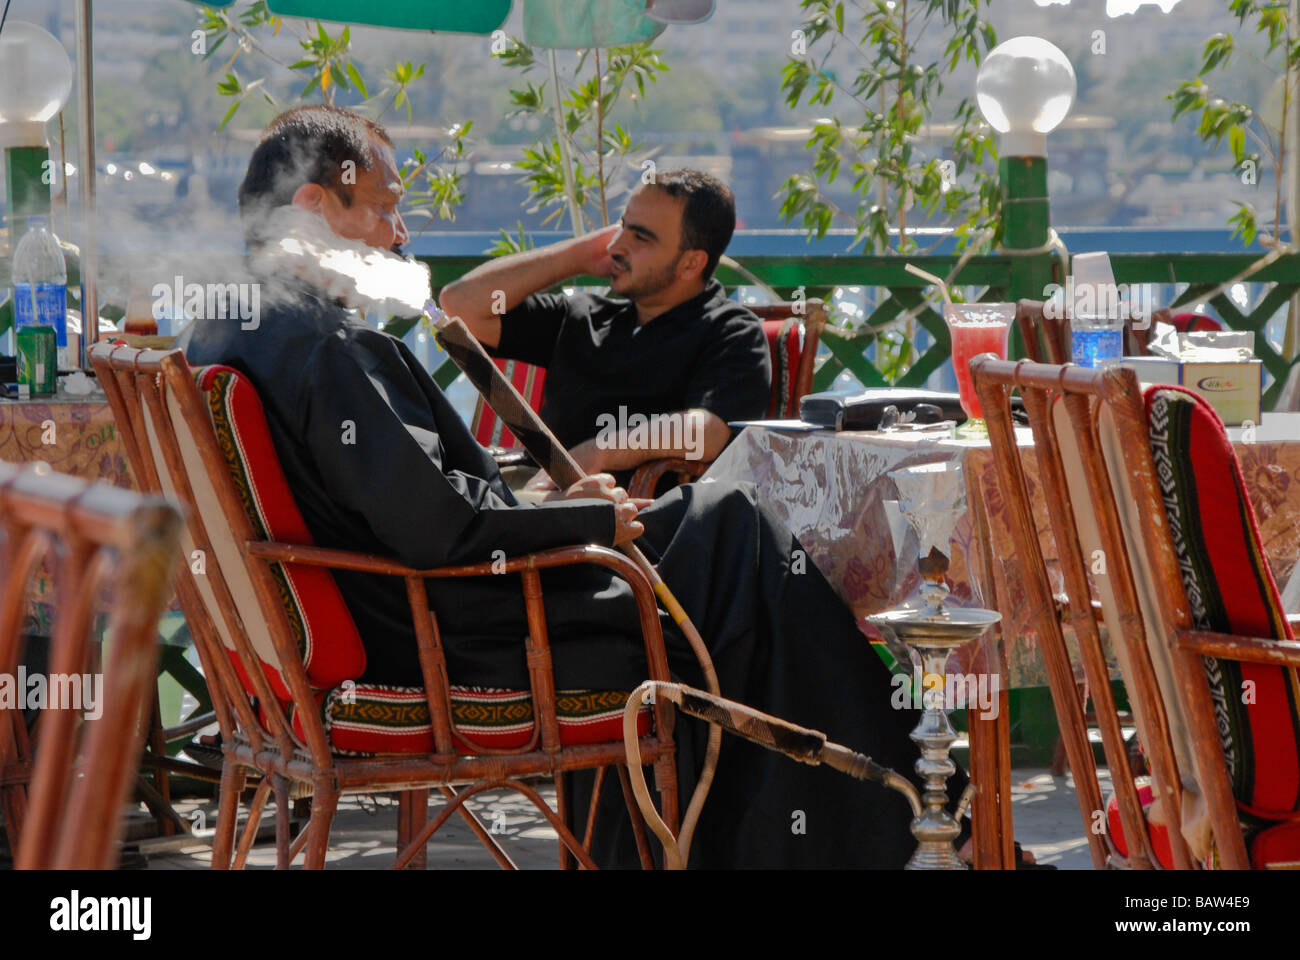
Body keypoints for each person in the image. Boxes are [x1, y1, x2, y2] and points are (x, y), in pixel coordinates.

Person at [177, 105, 970, 869]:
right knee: (734, 532)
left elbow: (426, 511)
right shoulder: (325, 345)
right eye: (385, 209)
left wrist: (565, 512)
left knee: (725, 551)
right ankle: (917, 814)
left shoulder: (224, 330)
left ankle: (845, 826)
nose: (401, 233)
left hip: (396, 611)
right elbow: (438, 530)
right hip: (452, 626)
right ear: (315, 206)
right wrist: (581, 517)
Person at [438, 170, 770, 488]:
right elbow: (461, 304)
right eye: (622, 227)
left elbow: (706, 432)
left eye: (640, 236)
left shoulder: (730, 331)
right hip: (529, 500)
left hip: (622, 522)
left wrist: (598, 452)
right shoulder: (583, 316)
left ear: (691, 263)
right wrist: (576, 257)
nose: (615, 245)